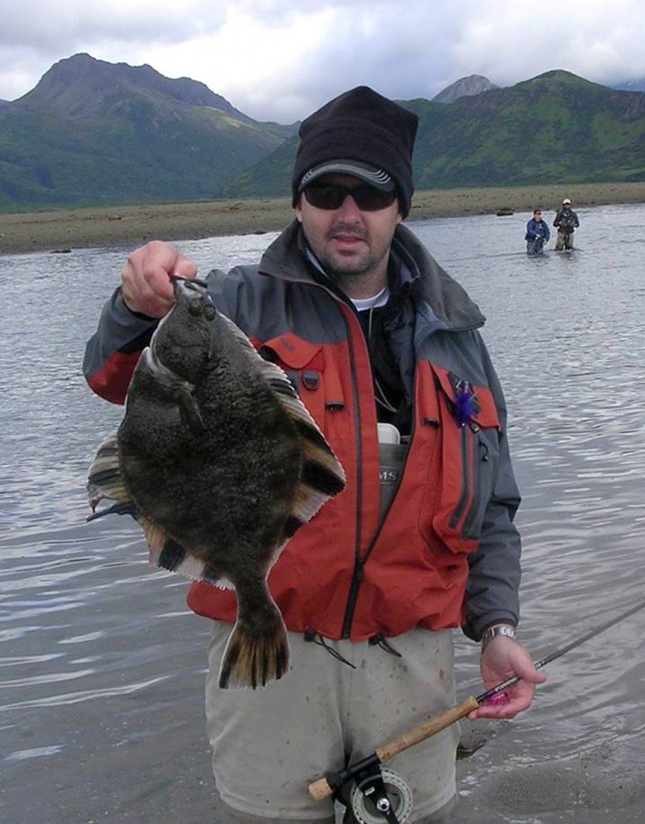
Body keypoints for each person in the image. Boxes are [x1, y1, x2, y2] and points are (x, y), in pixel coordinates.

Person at [83, 85, 545, 824]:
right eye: (325, 190)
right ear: (298, 203)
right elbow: (112, 374)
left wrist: (496, 630)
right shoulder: (231, 304)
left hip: (413, 659)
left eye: (371, 190)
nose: (347, 211)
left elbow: (493, 505)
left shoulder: (458, 340)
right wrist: (136, 304)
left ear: (402, 204)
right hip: (270, 651)